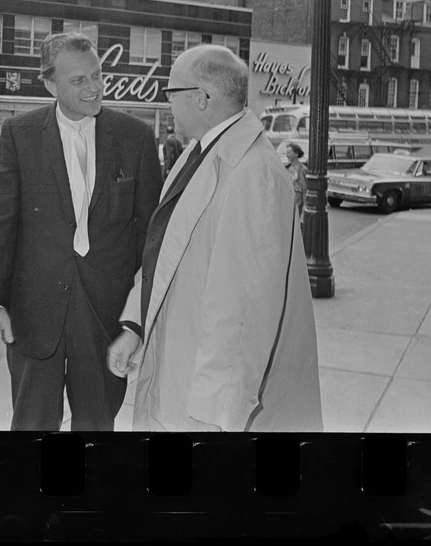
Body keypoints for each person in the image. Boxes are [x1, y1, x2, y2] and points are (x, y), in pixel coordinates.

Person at [107, 44, 323, 432]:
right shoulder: (198, 156)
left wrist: (219, 418)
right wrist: (135, 327)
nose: (168, 106)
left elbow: (244, 310)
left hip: (205, 410)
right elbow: (163, 257)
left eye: (172, 94)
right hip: (178, 374)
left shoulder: (252, 173)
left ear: (201, 99)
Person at [0, 32, 163, 431]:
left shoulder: (135, 137)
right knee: (31, 424)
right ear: (50, 84)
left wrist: (136, 319)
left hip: (105, 313)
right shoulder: (20, 134)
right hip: (35, 312)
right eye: (79, 80)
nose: (94, 87)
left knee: (98, 426)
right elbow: (1, 225)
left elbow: (150, 237)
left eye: (97, 75)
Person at [284, 141, 308, 225]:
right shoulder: (286, 168)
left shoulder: (302, 169)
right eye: (286, 152)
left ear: (296, 154)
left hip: (298, 203)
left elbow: (305, 190)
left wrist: (303, 214)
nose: (287, 155)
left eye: (289, 152)